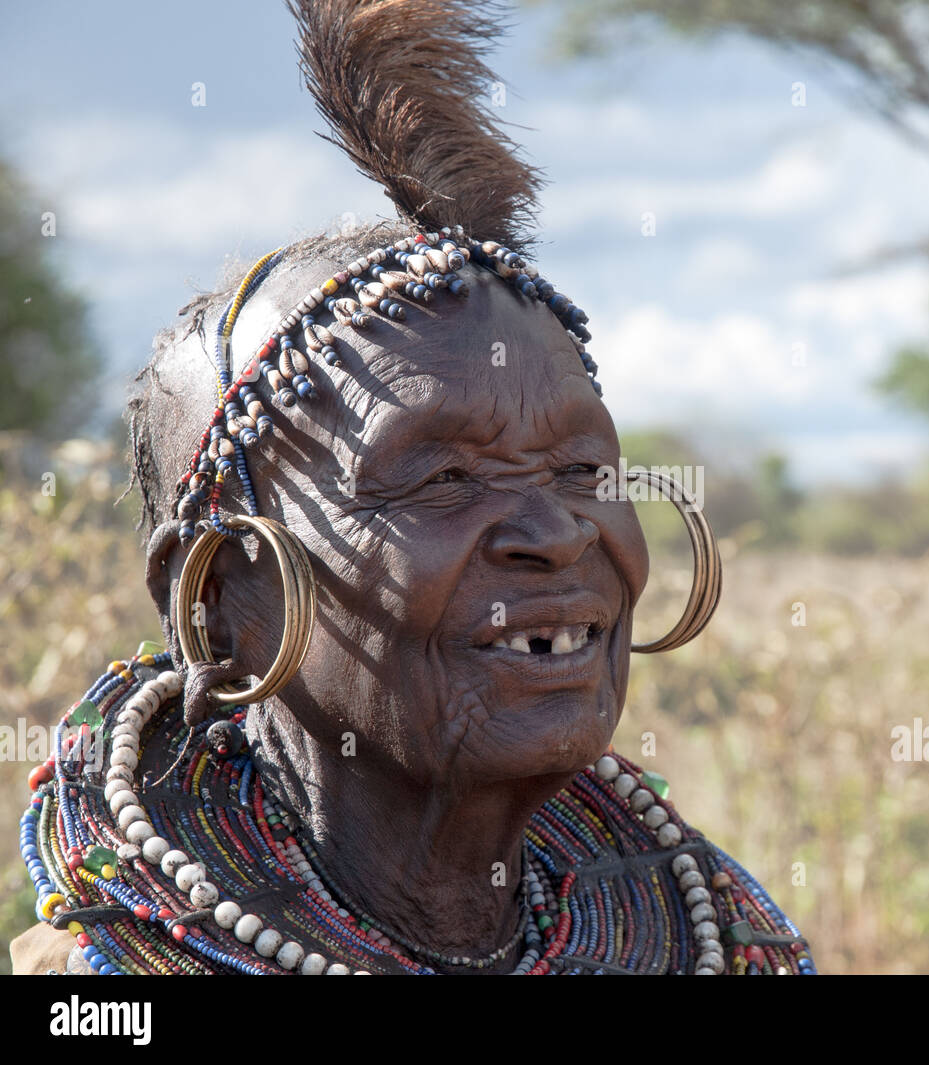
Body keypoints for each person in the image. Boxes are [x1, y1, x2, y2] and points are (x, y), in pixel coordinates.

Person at [11, 0, 814, 976]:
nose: (556, 534)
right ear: (219, 596)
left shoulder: (718, 941)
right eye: (441, 477)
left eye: (580, 470)